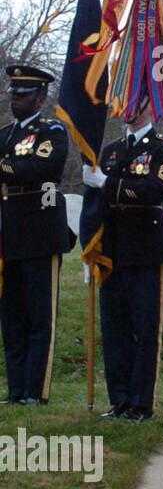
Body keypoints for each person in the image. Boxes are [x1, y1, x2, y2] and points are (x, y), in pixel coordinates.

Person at [82, 97, 163, 421]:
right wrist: (90, 245)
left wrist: (108, 184)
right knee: (115, 329)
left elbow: (155, 188)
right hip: (113, 248)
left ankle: (140, 403)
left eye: (136, 101)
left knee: (145, 329)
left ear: (150, 106)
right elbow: (96, 205)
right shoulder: (110, 150)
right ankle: (120, 399)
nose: (128, 108)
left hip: (147, 247)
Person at [0, 65, 73, 405]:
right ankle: (16, 391)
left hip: (40, 232)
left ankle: (36, 391)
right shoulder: (5, 135)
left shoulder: (52, 131)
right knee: (13, 318)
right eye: (13, 93)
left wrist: (7, 169)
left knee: (39, 317)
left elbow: (39, 169)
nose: (16, 99)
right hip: (10, 233)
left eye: (23, 94)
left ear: (41, 96)